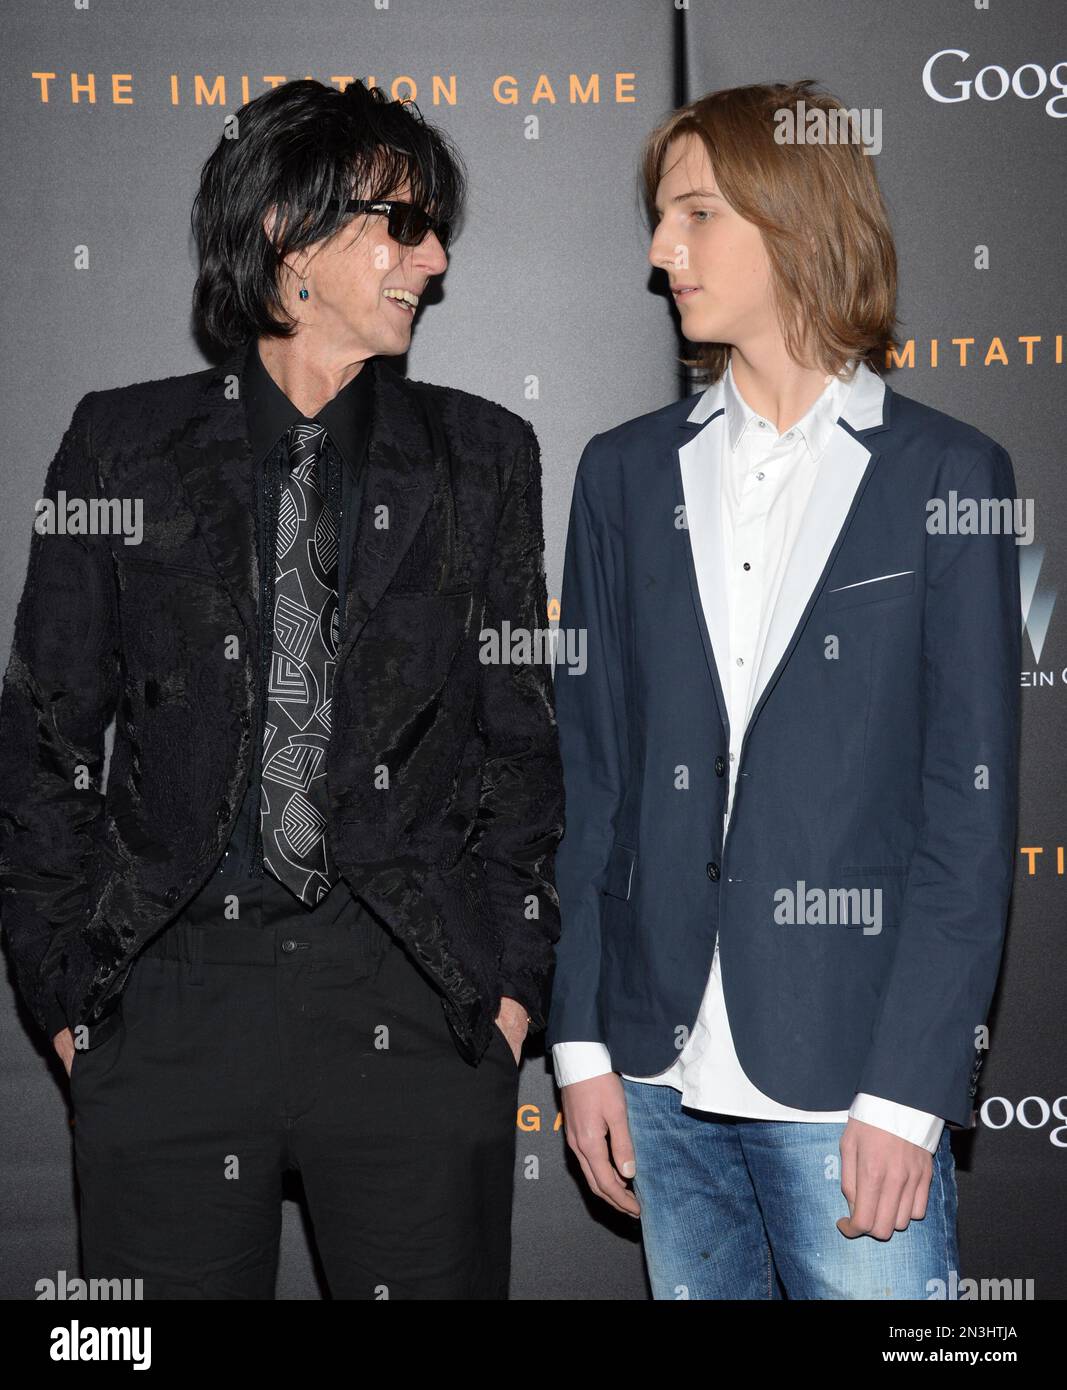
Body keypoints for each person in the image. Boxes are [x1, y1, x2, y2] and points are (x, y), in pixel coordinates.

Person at [0, 78, 564, 1300]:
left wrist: (511, 996)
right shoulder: (120, 445)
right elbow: (47, 737)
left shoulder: (482, 457)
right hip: (174, 997)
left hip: (411, 996)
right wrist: (69, 999)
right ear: (287, 230)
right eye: (402, 224)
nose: (436, 255)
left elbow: (519, 745)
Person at [546, 80, 1020, 1300]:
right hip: (655, 1072)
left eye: (695, 214)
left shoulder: (948, 475)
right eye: (661, 218)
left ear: (797, 218)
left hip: (851, 1078)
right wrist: (583, 1042)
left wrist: (912, 1088)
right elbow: (592, 779)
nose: (660, 252)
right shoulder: (619, 474)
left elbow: (965, 820)